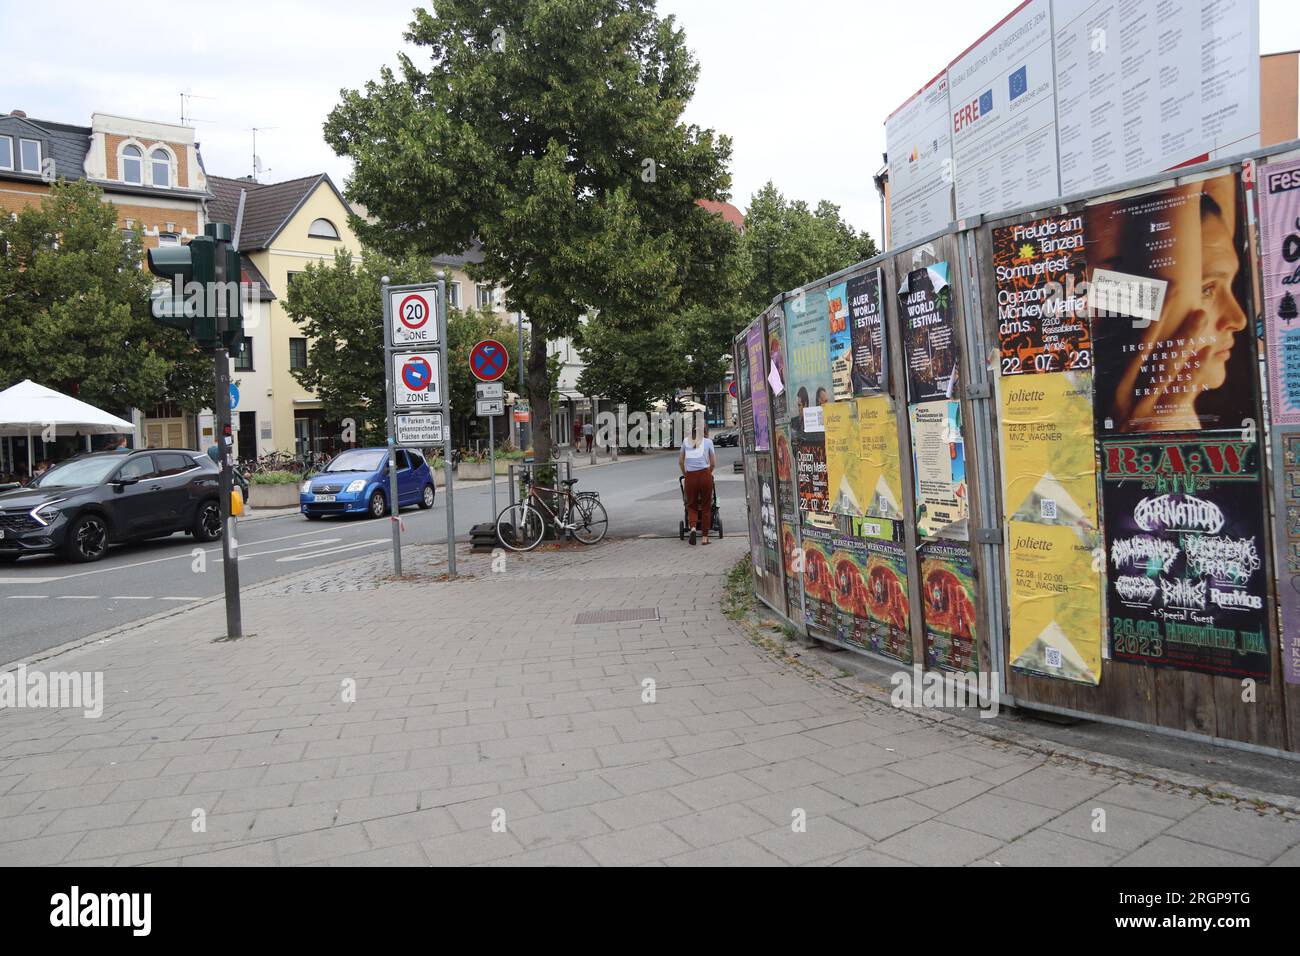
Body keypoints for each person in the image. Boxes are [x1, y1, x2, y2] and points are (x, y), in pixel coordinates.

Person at [678, 419, 716, 546]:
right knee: (706, 507)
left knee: (691, 505)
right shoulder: (709, 442)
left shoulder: (685, 442)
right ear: (705, 430)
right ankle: (705, 538)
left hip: (691, 476)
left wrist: (686, 474)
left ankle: (693, 528)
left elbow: (681, 462)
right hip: (705, 475)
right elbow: (713, 463)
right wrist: (708, 473)